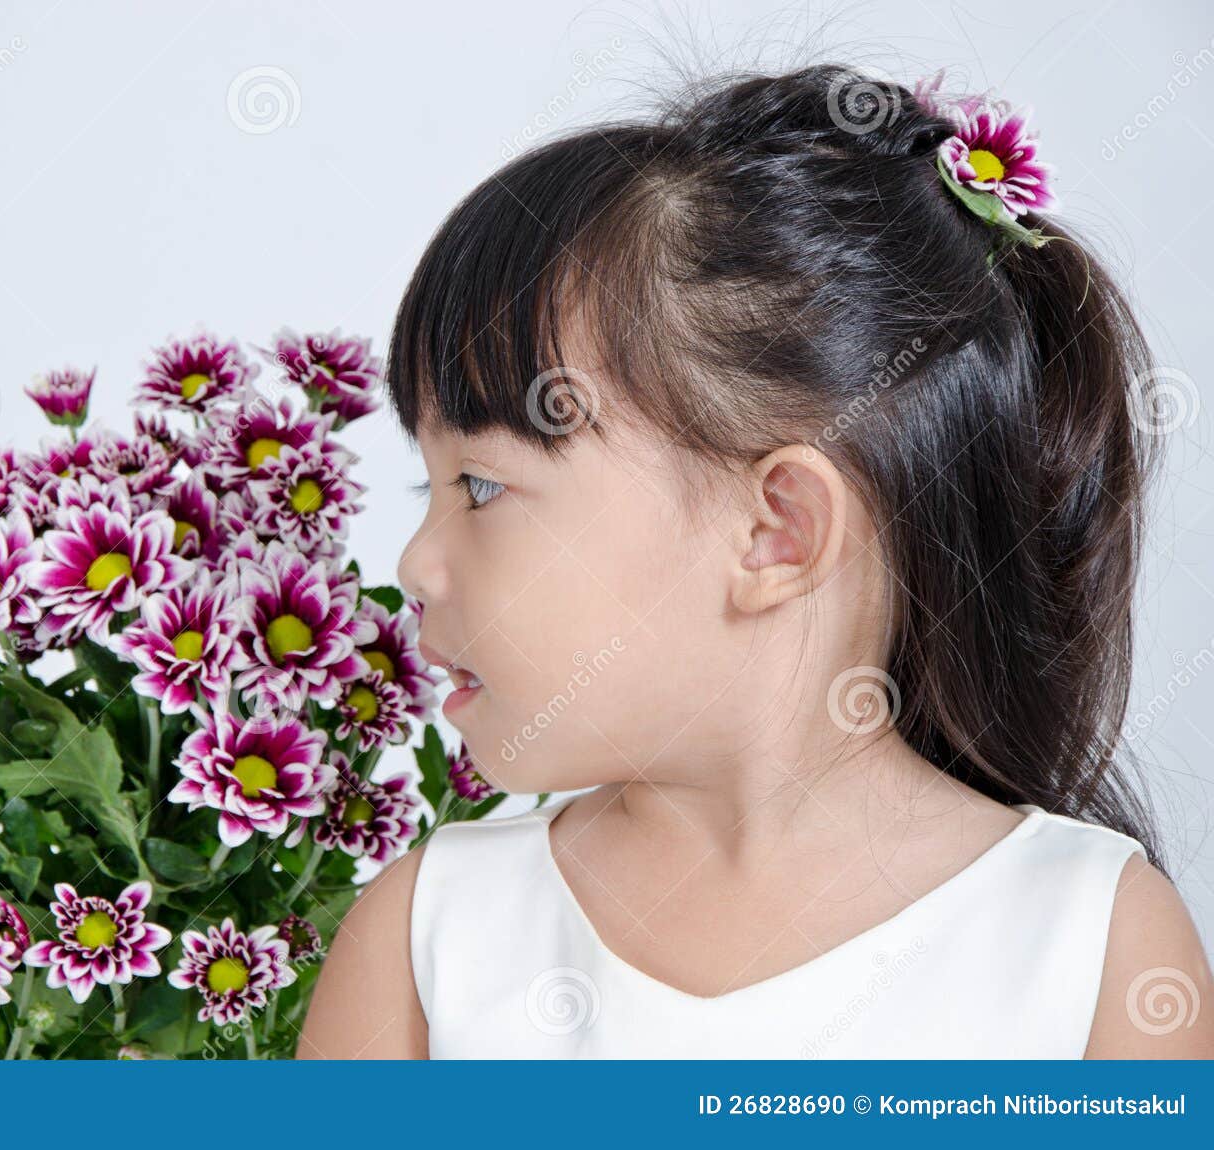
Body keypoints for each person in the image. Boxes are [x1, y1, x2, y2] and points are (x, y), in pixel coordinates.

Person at [297, 63, 1214, 1058]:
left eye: (480, 486)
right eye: (424, 487)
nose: (417, 564)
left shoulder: (1090, 941)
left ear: (777, 530)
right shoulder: (429, 937)